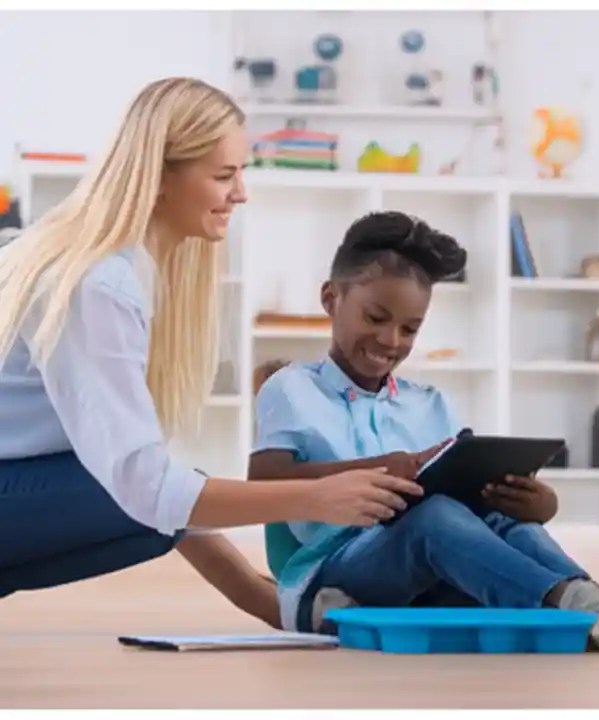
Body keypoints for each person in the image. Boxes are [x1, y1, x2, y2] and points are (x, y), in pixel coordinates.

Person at [0, 78, 419, 613]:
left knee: (153, 501)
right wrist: (315, 497)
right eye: (224, 175)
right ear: (159, 179)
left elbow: (154, 493)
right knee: (147, 497)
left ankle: (281, 606)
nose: (240, 193)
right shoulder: (99, 284)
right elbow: (146, 489)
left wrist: (271, 603)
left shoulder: (125, 271)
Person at [247, 210, 599, 651]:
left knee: (509, 524)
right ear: (331, 298)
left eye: (410, 328)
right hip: (340, 565)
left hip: (433, 569)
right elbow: (265, 482)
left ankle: (594, 601)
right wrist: (379, 470)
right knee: (431, 518)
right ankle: (570, 609)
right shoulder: (291, 387)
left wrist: (535, 504)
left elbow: (467, 503)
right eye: (375, 318)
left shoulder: (429, 401)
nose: (391, 340)